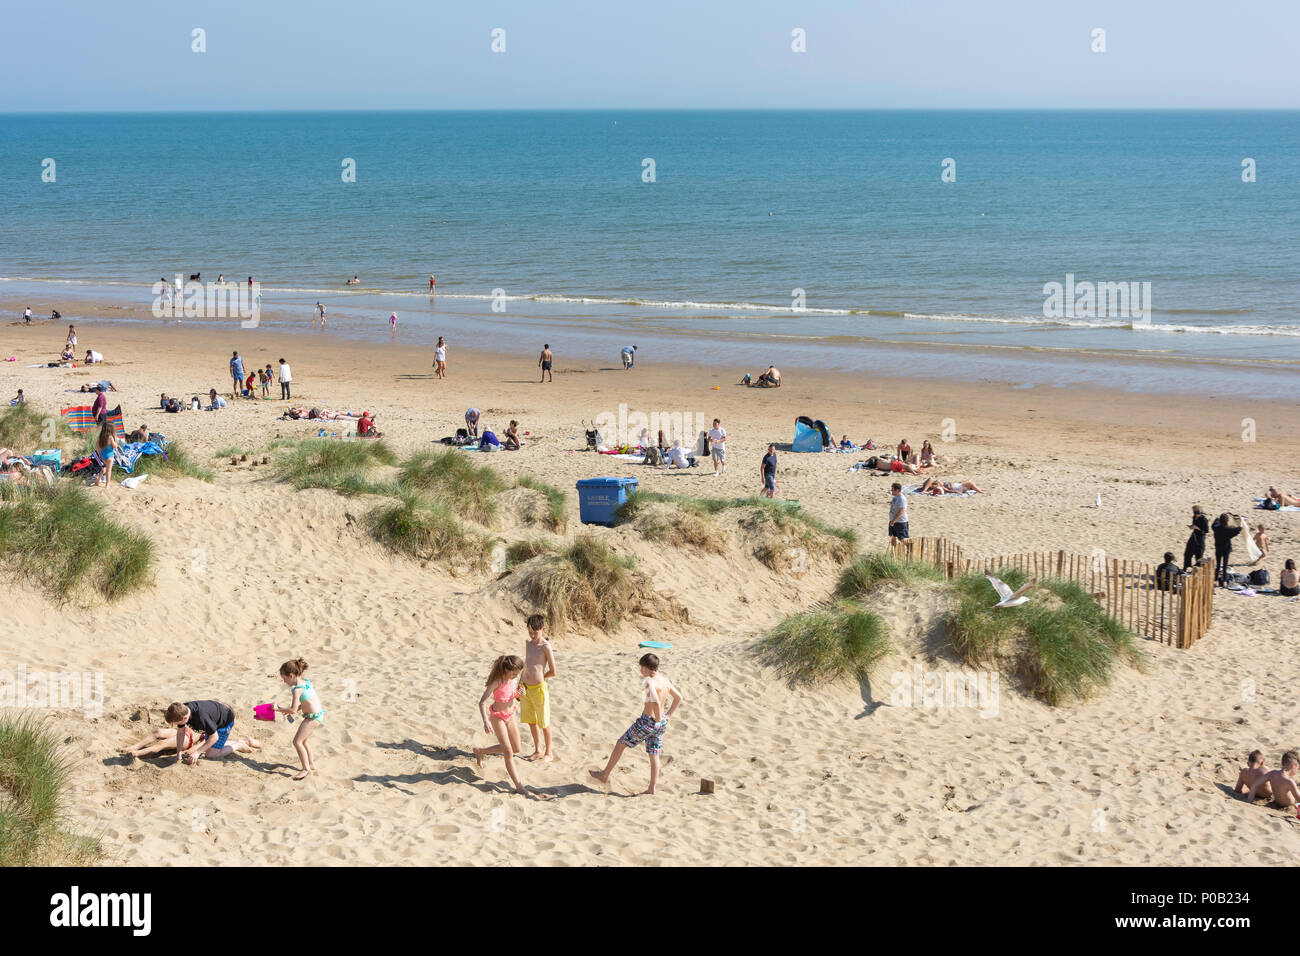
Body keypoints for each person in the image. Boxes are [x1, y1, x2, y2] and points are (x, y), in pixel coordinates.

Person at [589, 653, 683, 796]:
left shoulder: (649, 682)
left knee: (620, 744)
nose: (640, 670)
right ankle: (651, 789)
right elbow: (678, 698)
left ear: (646, 668)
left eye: (641, 667)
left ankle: (604, 774)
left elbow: (656, 702)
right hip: (661, 723)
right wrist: (667, 716)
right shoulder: (665, 680)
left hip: (648, 721)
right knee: (654, 755)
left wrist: (657, 719)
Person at [473, 655, 529, 795]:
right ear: (505, 670)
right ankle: (519, 786)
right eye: (514, 673)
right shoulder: (497, 681)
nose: (516, 676)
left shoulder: (514, 679)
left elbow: (513, 695)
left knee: (516, 748)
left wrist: (519, 694)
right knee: (508, 752)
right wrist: (486, 720)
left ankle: (480, 751)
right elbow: (482, 702)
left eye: (517, 674)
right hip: (497, 717)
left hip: (510, 715)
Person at [276, 658, 325, 781]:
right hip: (318, 715)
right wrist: (286, 710)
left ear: (291, 675)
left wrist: (278, 708)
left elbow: (292, 709)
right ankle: (311, 764)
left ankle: (305, 769)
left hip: (311, 718)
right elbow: (304, 703)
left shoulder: (297, 690)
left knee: (297, 742)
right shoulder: (306, 682)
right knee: (303, 741)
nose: (284, 682)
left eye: (284, 679)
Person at [519, 614, 556, 763]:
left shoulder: (545, 646)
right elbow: (526, 665)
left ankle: (548, 753)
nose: (533, 635)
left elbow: (554, 671)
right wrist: (520, 684)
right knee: (531, 721)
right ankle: (537, 750)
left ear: (543, 629)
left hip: (539, 689)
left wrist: (541, 676)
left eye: (536, 632)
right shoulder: (528, 643)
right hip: (526, 688)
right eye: (530, 632)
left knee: (544, 722)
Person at [164, 700, 246, 765]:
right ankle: (228, 743)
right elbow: (181, 732)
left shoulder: (202, 718)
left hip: (224, 722)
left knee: (210, 755)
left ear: (184, 718)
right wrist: (179, 752)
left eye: (177, 724)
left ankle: (238, 745)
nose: (178, 726)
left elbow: (214, 737)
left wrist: (197, 752)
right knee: (207, 745)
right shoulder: (182, 710)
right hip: (212, 720)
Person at [1211, 513, 1240, 586]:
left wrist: (1218, 518)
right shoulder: (1228, 529)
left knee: (1218, 565)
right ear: (1227, 521)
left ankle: (1216, 580)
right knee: (1225, 565)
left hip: (1218, 547)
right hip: (1226, 548)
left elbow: (1214, 523)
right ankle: (1224, 581)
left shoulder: (1216, 528)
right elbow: (1237, 530)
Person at [1184, 505, 1209, 570]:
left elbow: (1206, 530)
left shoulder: (1204, 519)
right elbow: (1194, 525)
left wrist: (1197, 528)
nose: (1195, 515)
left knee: (1199, 555)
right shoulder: (1194, 517)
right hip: (1194, 536)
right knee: (1188, 552)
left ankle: (1198, 569)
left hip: (1200, 538)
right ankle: (1187, 566)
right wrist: (1192, 526)